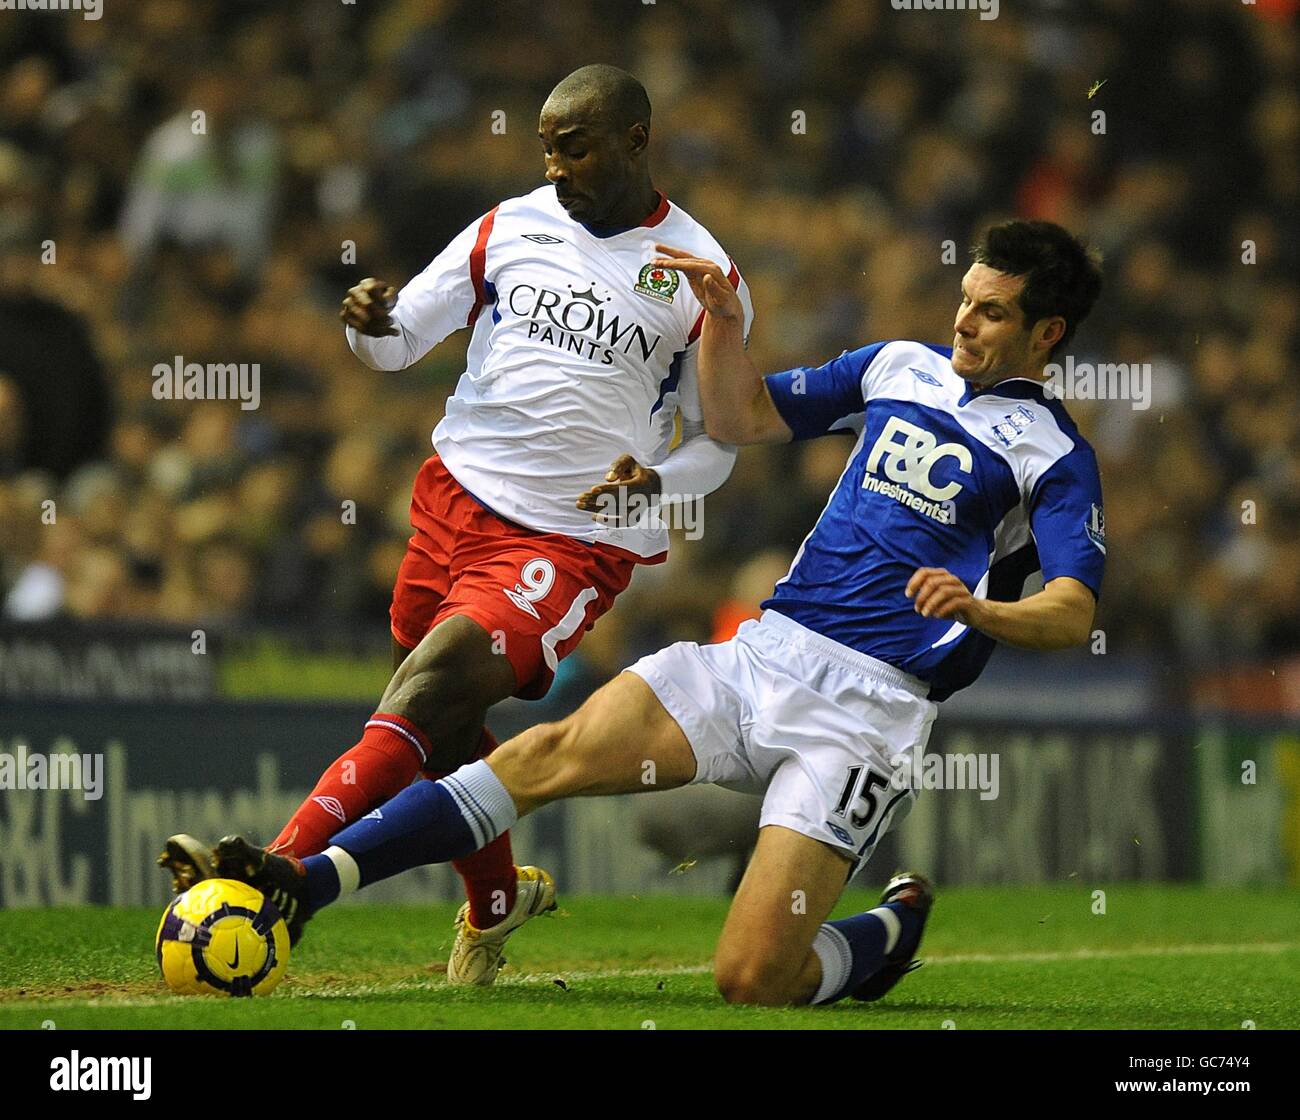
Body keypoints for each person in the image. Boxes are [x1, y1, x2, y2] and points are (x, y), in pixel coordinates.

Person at [211, 218, 1104, 1006]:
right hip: (766, 655)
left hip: (869, 714)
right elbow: (741, 416)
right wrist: (720, 323)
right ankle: (307, 882)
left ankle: (890, 931)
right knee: (545, 753)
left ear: (1046, 333)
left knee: (754, 981)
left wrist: (982, 614)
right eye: (965, 299)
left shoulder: (1055, 457)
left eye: (991, 312)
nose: (964, 321)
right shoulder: (898, 366)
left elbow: (1070, 611)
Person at [158, 63, 753, 987]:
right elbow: (399, 342)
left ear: (637, 139)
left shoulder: (700, 275)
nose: (556, 166)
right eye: (548, 148)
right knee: (445, 715)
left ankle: (278, 875)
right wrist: (369, 321)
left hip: (568, 538)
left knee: (429, 689)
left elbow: (724, 439)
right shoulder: (507, 227)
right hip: (452, 503)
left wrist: (657, 484)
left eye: (578, 147)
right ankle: (495, 898)